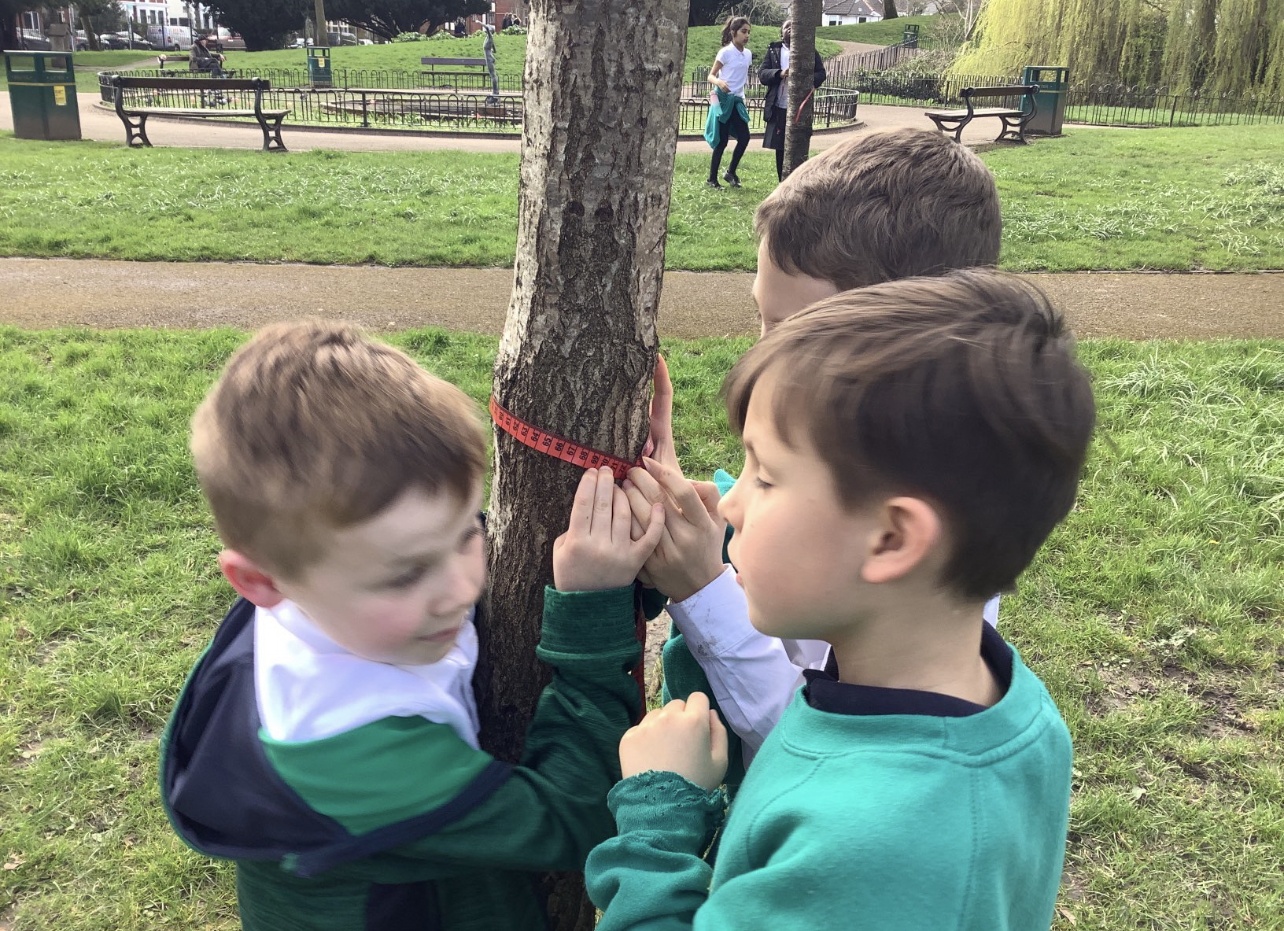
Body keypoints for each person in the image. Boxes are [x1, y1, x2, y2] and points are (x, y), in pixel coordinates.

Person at [587, 270, 1095, 929]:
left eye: (764, 476)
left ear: (890, 537)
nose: (733, 500)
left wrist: (660, 817)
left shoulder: (871, 851)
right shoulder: (1008, 711)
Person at [160, 320, 665, 931]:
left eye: (466, 535)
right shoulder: (345, 752)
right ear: (262, 583)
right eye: (403, 576)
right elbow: (574, 816)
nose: (460, 589)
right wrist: (593, 610)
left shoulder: (326, 585)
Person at [632, 128, 1006, 780]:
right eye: (763, 321)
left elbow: (821, 748)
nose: (760, 358)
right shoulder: (885, 448)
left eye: (795, 334)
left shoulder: (927, 520)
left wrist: (701, 587)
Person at [759, 20, 827, 182]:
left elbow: (821, 73)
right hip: (779, 104)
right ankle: (781, 180)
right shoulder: (774, 50)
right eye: (786, 27)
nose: (790, 30)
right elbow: (762, 74)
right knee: (780, 146)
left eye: (793, 27)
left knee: (797, 142)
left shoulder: (808, 50)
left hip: (799, 105)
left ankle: (797, 179)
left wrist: (807, 82)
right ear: (781, 32)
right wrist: (779, 73)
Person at [705, 16, 753, 189]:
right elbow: (710, 75)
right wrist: (719, 82)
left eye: (748, 32)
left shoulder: (748, 54)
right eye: (743, 31)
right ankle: (712, 179)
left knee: (745, 137)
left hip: (738, 101)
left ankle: (730, 172)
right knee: (722, 141)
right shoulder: (725, 52)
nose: (747, 35)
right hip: (724, 101)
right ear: (733, 33)